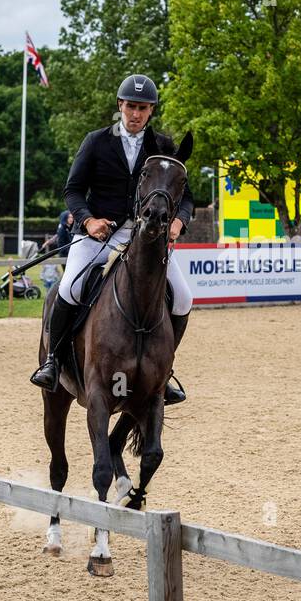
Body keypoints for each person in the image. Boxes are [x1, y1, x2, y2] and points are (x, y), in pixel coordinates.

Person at [29, 74, 194, 404]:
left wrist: (179, 220)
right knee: (70, 289)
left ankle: (165, 370)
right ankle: (54, 362)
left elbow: (186, 196)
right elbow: (73, 190)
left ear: (151, 111)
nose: (135, 114)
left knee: (184, 298)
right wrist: (88, 220)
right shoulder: (96, 141)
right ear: (120, 105)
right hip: (97, 233)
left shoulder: (160, 147)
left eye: (143, 108)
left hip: (145, 239)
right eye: (131, 106)